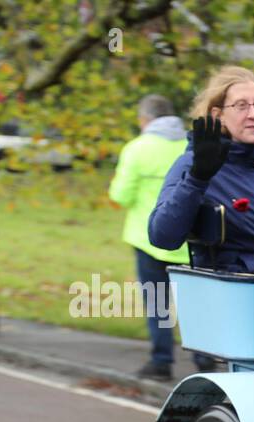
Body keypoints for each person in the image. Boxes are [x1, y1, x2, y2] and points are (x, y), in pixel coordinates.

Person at [149, 66, 254, 275]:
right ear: (218, 114)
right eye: (241, 106)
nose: (253, 115)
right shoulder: (193, 164)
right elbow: (162, 236)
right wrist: (197, 179)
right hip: (227, 288)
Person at [109, 94, 191, 380]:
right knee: (196, 302)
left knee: (157, 302)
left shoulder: (137, 148)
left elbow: (120, 195)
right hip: (187, 241)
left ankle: (161, 361)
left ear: (145, 119)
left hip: (148, 239)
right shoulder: (189, 146)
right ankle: (207, 360)